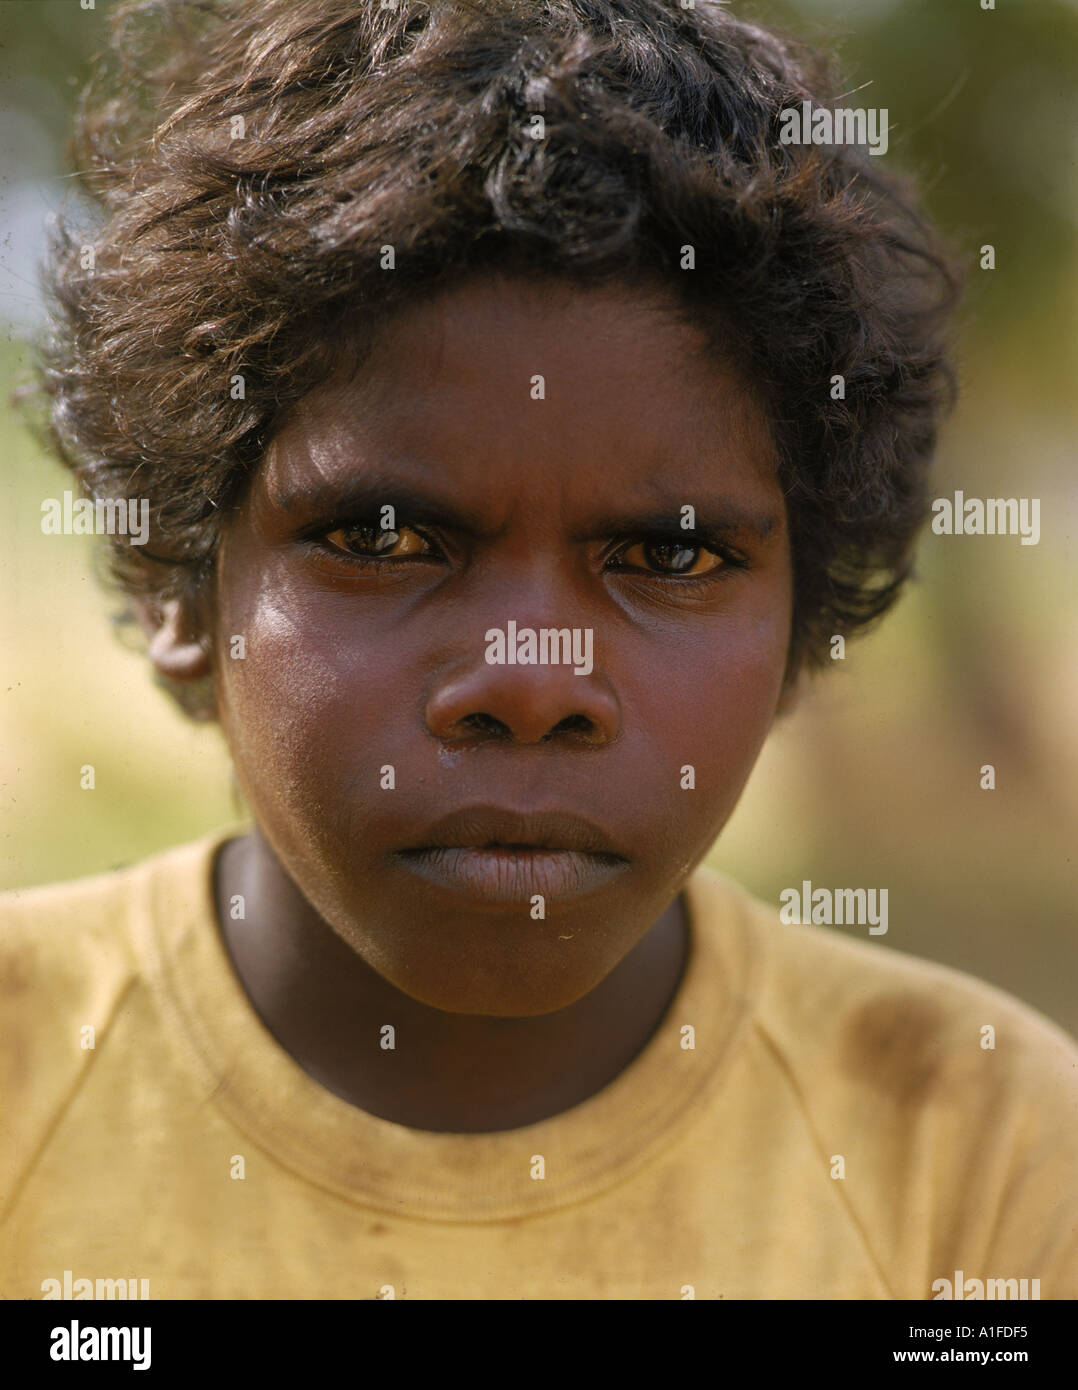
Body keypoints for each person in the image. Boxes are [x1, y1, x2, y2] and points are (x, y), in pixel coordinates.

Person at [3, 0, 1075, 1300]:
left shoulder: (979, 1150)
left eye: (668, 557)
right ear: (182, 579)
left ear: (802, 624)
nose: (526, 677)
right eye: (386, 535)